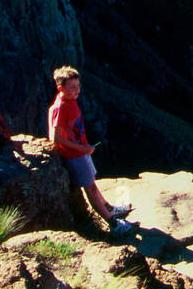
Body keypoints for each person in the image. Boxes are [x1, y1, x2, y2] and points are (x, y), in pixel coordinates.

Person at [48, 66, 134, 238]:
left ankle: (110, 208)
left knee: (93, 184)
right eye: (72, 87)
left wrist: (84, 149)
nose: (76, 90)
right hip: (74, 156)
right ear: (61, 88)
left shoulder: (70, 101)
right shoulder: (60, 107)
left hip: (81, 152)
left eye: (78, 86)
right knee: (91, 190)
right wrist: (82, 149)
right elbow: (55, 138)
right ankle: (113, 223)